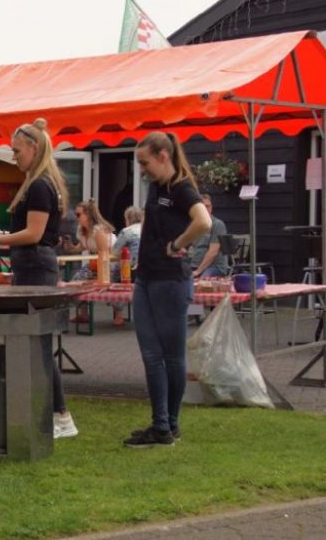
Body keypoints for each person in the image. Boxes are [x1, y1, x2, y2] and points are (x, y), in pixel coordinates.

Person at [0, 118, 79, 440]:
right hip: (34, 263)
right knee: (37, 343)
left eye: (17, 150)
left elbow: (36, 233)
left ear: (34, 148)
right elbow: (34, 233)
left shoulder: (38, 185)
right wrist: (5, 234)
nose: (14, 155)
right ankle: (51, 412)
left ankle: (61, 415)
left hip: (36, 265)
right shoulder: (40, 182)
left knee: (38, 343)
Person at [124, 132, 210, 448]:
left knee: (170, 356)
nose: (142, 169)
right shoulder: (157, 187)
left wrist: (177, 243)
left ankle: (166, 425)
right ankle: (162, 424)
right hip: (146, 278)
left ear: (163, 156)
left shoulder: (181, 188)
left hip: (169, 280)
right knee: (151, 354)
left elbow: (204, 222)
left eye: (145, 162)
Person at [62, 199, 117, 324]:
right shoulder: (81, 231)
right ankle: (83, 313)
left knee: (109, 282)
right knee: (76, 280)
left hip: (111, 261)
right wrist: (69, 245)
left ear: (88, 215)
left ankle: (118, 313)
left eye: (79, 214)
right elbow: (80, 248)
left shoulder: (99, 230)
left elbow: (104, 253)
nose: (76, 218)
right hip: (96, 262)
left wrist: (99, 275)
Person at [110, 205, 144, 327]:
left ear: (127, 218)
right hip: (149, 269)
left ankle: (119, 315)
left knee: (112, 276)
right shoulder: (149, 230)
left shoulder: (127, 232)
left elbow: (114, 253)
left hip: (133, 271)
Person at [189, 194, 229, 278]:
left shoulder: (217, 224)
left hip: (214, 267)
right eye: (203, 207)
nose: (206, 209)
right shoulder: (193, 225)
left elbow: (213, 252)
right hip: (194, 264)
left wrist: (197, 272)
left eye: (208, 206)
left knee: (202, 282)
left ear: (211, 208)